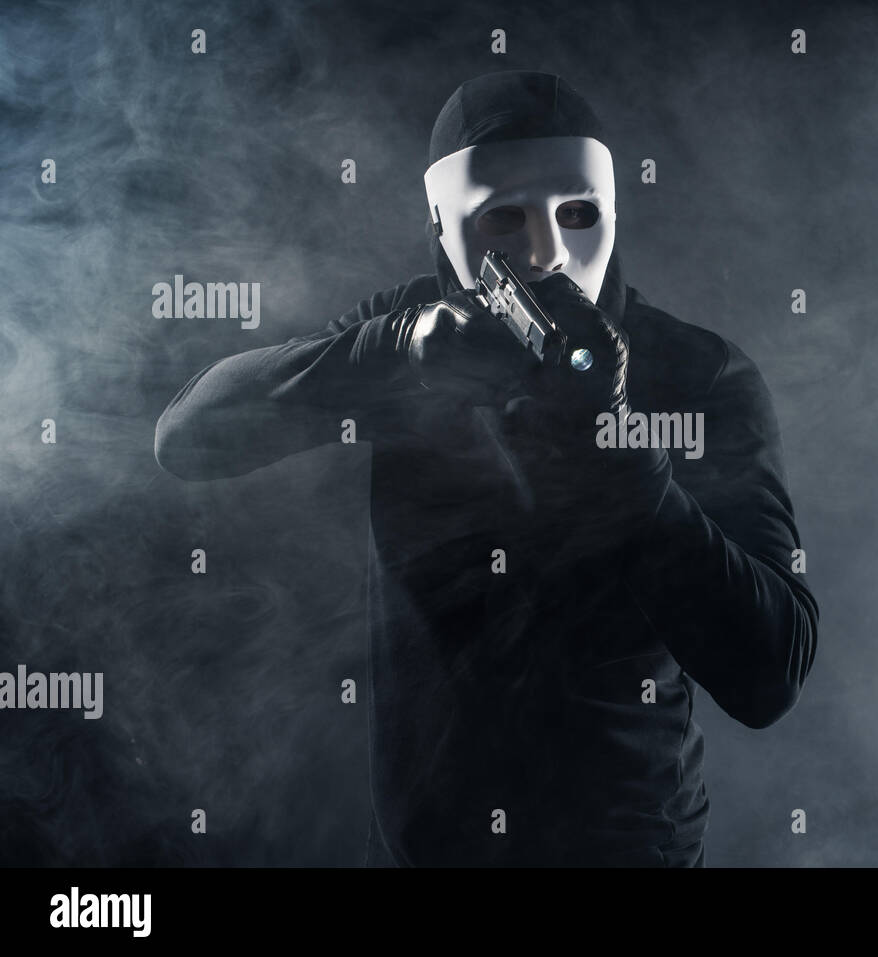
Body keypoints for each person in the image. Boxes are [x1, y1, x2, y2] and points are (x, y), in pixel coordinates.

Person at [154, 70, 818, 867]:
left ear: (615, 210)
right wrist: (388, 353)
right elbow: (186, 438)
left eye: (578, 214)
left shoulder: (698, 375)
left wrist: (619, 460)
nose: (546, 253)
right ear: (443, 225)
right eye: (503, 218)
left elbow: (769, 673)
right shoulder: (408, 340)